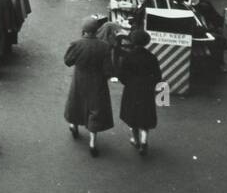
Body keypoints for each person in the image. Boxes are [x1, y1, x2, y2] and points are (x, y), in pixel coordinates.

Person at [64, 16, 115, 156]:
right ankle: (92, 142)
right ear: (96, 30)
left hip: (79, 80)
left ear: (84, 30)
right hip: (97, 82)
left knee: (76, 103)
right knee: (95, 110)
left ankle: (73, 126)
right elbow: (108, 70)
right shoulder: (104, 47)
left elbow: (68, 61)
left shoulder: (76, 44)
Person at [116, 28, 162, 155]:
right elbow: (158, 76)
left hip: (132, 89)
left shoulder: (128, 57)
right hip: (146, 90)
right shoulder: (151, 57)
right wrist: (151, 85)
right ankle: (144, 141)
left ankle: (136, 141)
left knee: (133, 116)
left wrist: (129, 83)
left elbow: (121, 75)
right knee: (145, 115)